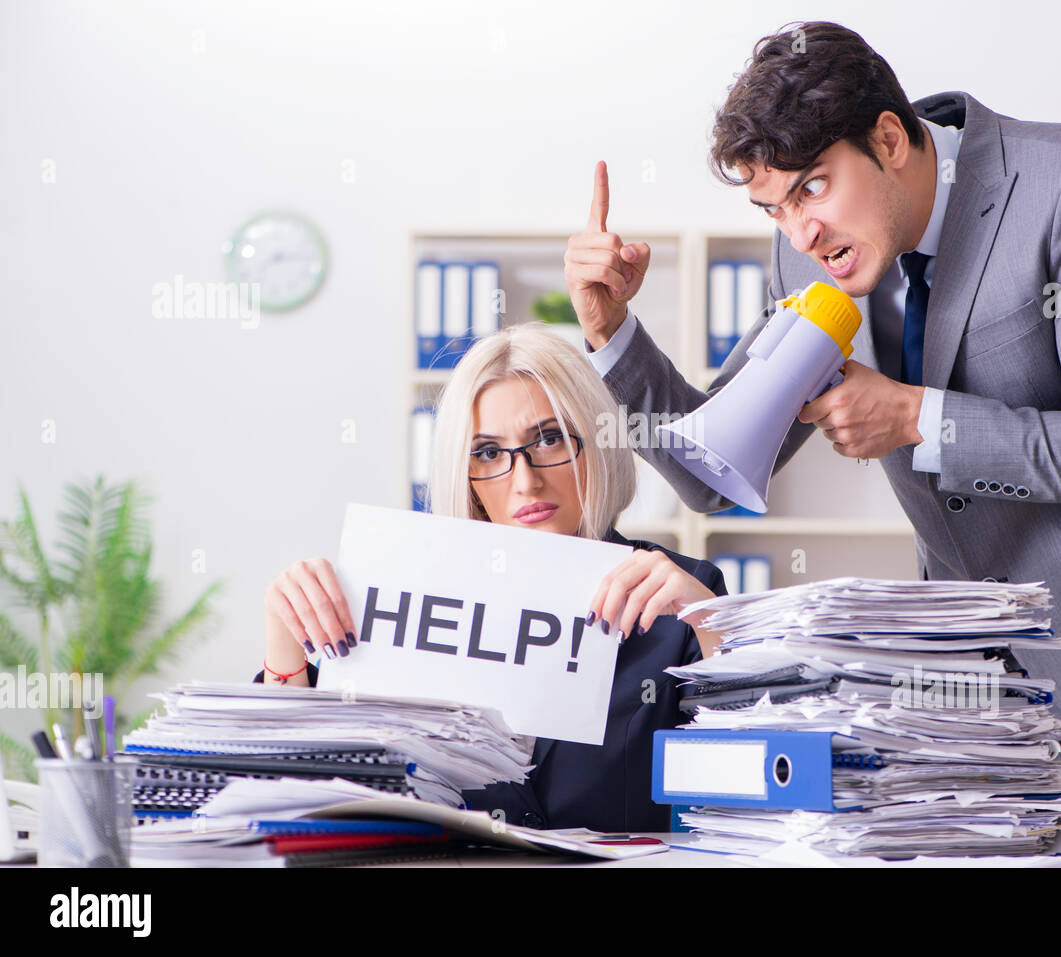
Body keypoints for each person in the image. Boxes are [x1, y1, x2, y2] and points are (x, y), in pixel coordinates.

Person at [563, 21, 1061, 857]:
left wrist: (913, 417)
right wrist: (611, 333)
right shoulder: (810, 259)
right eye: (775, 207)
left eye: (814, 189)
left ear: (891, 139)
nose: (800, 233)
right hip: (971, 706)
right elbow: (716, 474)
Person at [255, 322, 728, 832]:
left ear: (598, 443)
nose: (525, 480)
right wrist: (285, 644)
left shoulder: (681, 598)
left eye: (548, 439)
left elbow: (750, 795)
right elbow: (287, 803)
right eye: (486, 453)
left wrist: (714, 630)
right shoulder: (401, 599)